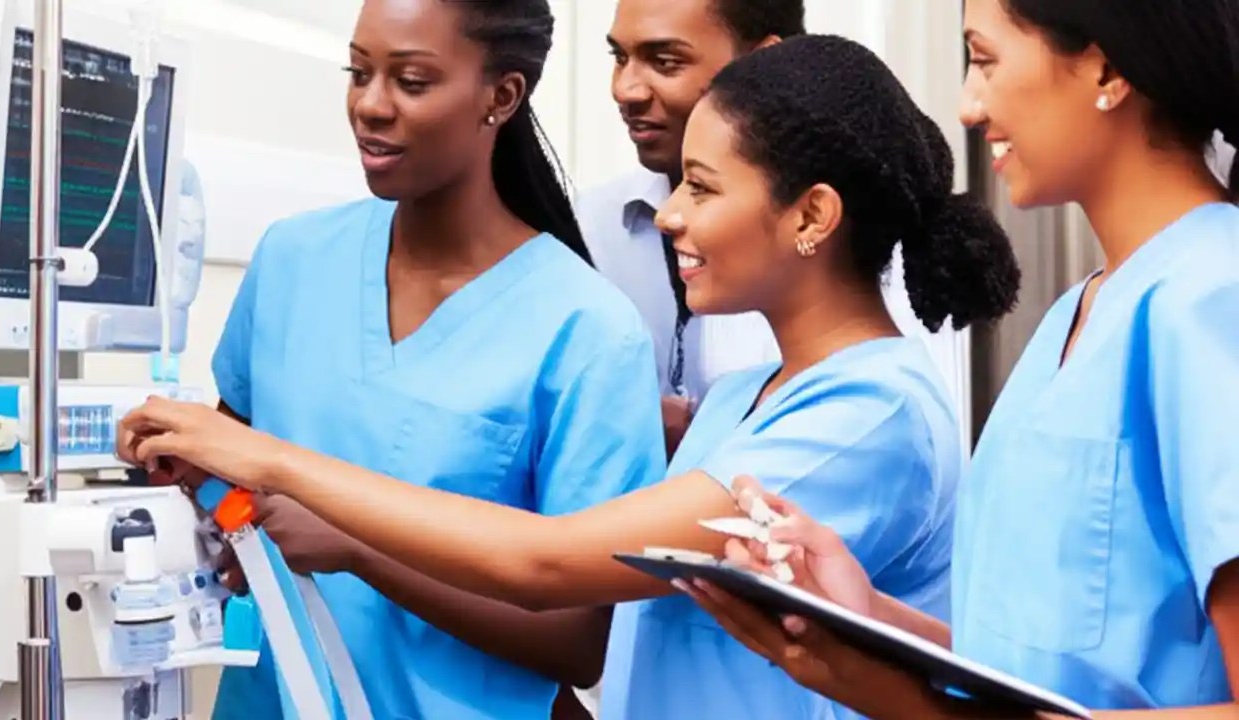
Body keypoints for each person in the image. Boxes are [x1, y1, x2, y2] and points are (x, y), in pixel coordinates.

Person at [121, 33, 1021, 720]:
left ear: (812, 216)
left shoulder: (867, 414)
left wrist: (273, 462)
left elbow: (550, 563)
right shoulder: (748, 402)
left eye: (703, 188)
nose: (668, 216)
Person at [683, 1, 1239, 717]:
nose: (969, 107)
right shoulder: (1077, 315)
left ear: (1104, 66)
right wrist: (864, 617)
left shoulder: (1210, 296)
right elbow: (1040, 673)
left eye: (984, 60)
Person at [182, 1, 668, 718]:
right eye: (358, 72)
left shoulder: (586, 331)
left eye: (410, 81)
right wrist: (189, 477)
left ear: (501, 97)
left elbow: (585, 641)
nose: (370, 106)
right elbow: (231, 475)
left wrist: (362, 552)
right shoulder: (292, 260)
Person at [578, 0, 805, 453]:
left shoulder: (858, 248)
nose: (626, 90)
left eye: (665, 62)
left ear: (762, 63)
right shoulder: (589, 227)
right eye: (619, 58)